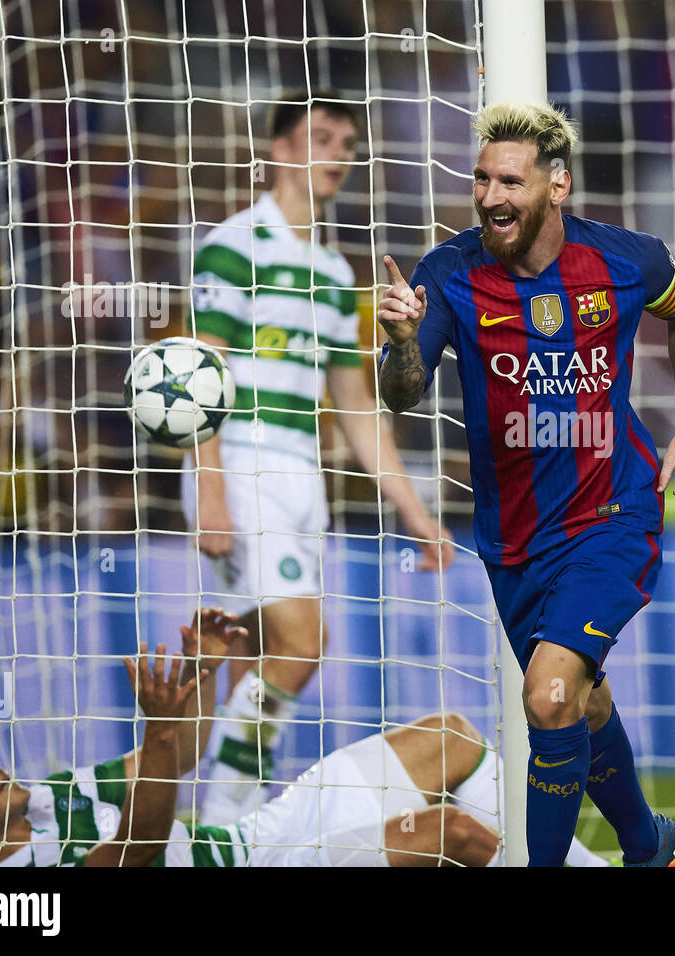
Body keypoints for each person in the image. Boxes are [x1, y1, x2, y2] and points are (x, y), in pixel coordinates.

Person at [376, 101, 675, 866]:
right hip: (513, 539)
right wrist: (399, 344)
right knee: (579, 700)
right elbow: (402, 392)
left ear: (556, 186)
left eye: (511, 181)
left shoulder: (626, 260)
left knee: (547, 694)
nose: (492, 196)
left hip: (613, 513)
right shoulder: (449, 273)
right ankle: (646, 843)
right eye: (482, 179)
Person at [183, 88, 453, 825]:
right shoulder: (233, 245)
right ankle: (226, 818)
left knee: (254, 655)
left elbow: (358, 408)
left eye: (346, 143)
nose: (338, 153)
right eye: (322, 137)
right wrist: (211, 491)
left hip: (303, 471)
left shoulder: (335, 275)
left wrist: (417, 515)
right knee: (306, 642)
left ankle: (231, 821)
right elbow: (199, 377)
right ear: (279, 148)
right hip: (239, 461)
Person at [0, 609, 656, 868]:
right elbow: (136, 850)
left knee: (451, 739)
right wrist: (163, 728)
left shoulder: (47, 799)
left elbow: (175, 759)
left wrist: (202, 677)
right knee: (454, 834)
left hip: (258, 836)